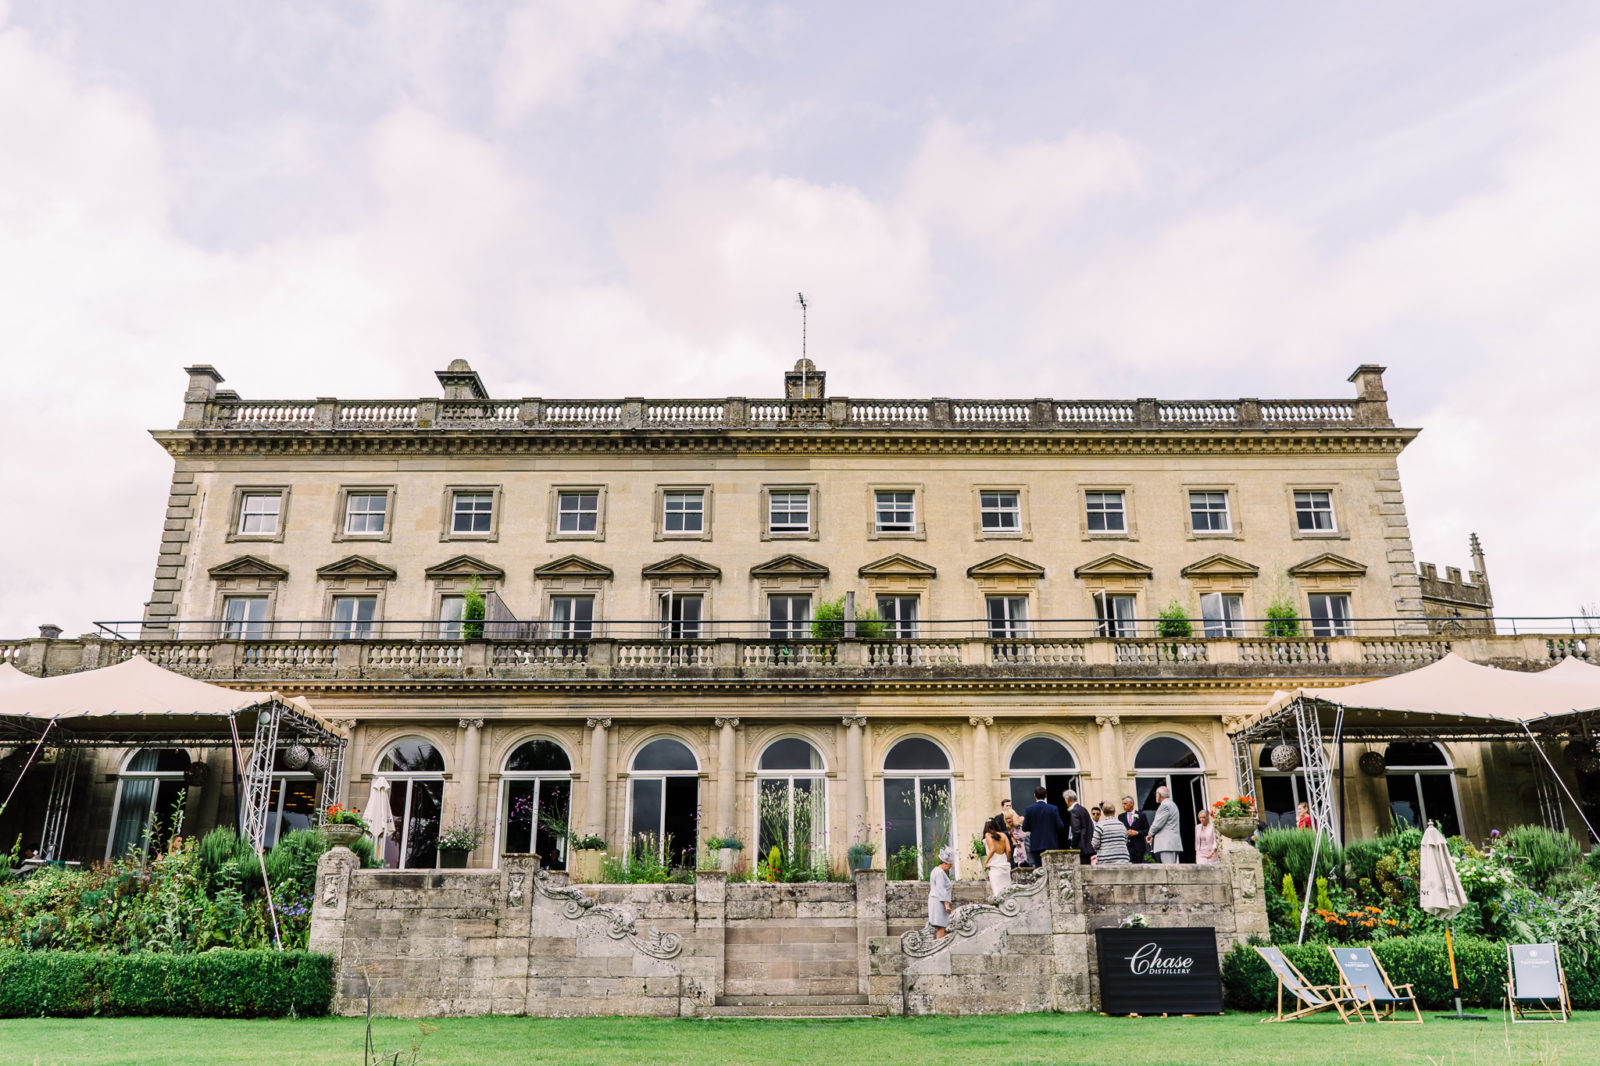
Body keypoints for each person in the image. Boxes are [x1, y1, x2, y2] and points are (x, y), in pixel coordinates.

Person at [1021, 785, 1065, 867]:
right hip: (1051, 843)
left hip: (1036, 844)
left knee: (1039, 870)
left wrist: (1033, 827)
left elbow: (1024, 828)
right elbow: (1060, 826)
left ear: (1034, 795)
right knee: (1052, 868)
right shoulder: (1053, 809)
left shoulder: (1029, 809)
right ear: (1046, 796)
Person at [1147, 786, 1182, 864]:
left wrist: (1150, 834)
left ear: (1159, 795)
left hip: (1166, 843)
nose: (1156, 796)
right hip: (1172, 842)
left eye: (1156, 794)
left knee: (1168, 867)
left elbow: (1157, 823)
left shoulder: (1164, 806)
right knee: (1172, 866)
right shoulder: (1172, 804)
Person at [928, 846, 955, 938]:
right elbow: (941, 889)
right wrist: (946, 904)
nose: (950, 866)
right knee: (942, 927)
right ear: (944, 863)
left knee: (943, 927)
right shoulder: (939, 872)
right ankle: (940, 946)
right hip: (939, 901)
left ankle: (943, 944)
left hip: (936, 900)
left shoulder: (935, 871)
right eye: (949, 865)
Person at [1063, 789, 1095, 865]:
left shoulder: (1074, 811)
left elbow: (1076, 831)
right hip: (1088, 847)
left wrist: (1073, 845)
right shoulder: (1083, 809)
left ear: (1067, 800)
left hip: (1081, 848)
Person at [983, 816, 1012, 896]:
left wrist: (986, 862)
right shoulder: (1003, 835)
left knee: (997, 892)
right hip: (1005, 865)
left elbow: (992, 849)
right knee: (1007, 892)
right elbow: (1009, 850)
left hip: (994, 866)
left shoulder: (988, 835)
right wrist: (1007, 860)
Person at [1119, 796, 1149, 865]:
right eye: (1123, 804)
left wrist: (1137, 833)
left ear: (1131, 803)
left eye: (1125, 804)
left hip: (1139, 847)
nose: (1123, 806)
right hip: (1126, 847)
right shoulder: (1121, 817)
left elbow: (1147, 830)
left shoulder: (1141, 815)